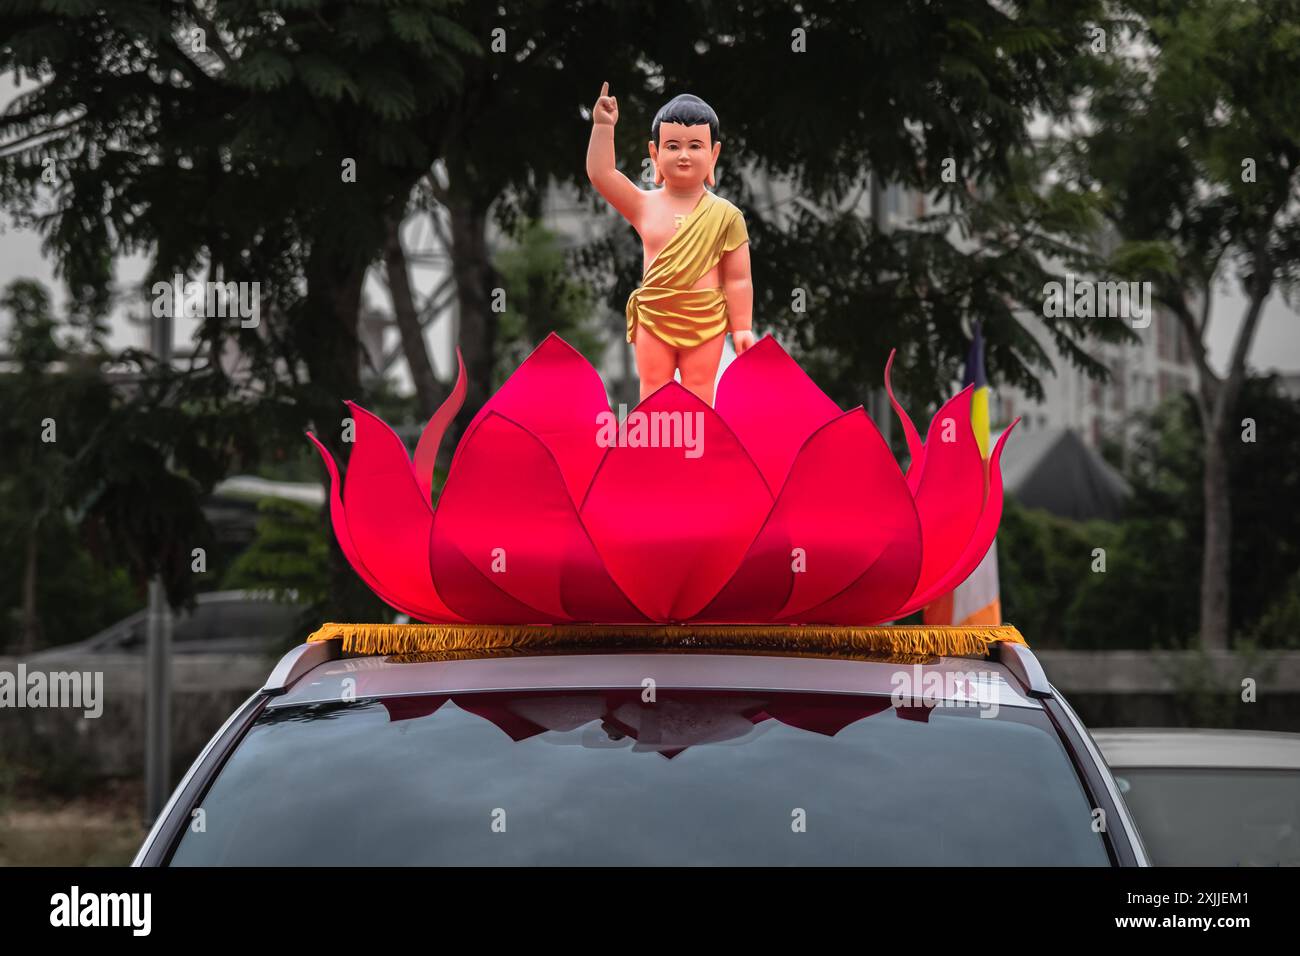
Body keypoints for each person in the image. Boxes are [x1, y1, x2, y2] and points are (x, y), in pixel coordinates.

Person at [586, 83, 754, 406]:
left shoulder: (726, 216)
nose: (684, 155)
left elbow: (738, 278)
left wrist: (743, 326)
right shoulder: (644, 205)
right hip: (654, 317)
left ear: (714, 154)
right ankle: (655, 454)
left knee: (700, 397)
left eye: (695, 146)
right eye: (673, 146)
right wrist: (603, 128)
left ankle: (696, 454)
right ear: (655, 154)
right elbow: (602, 174)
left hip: (706, 320)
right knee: (653, 395)